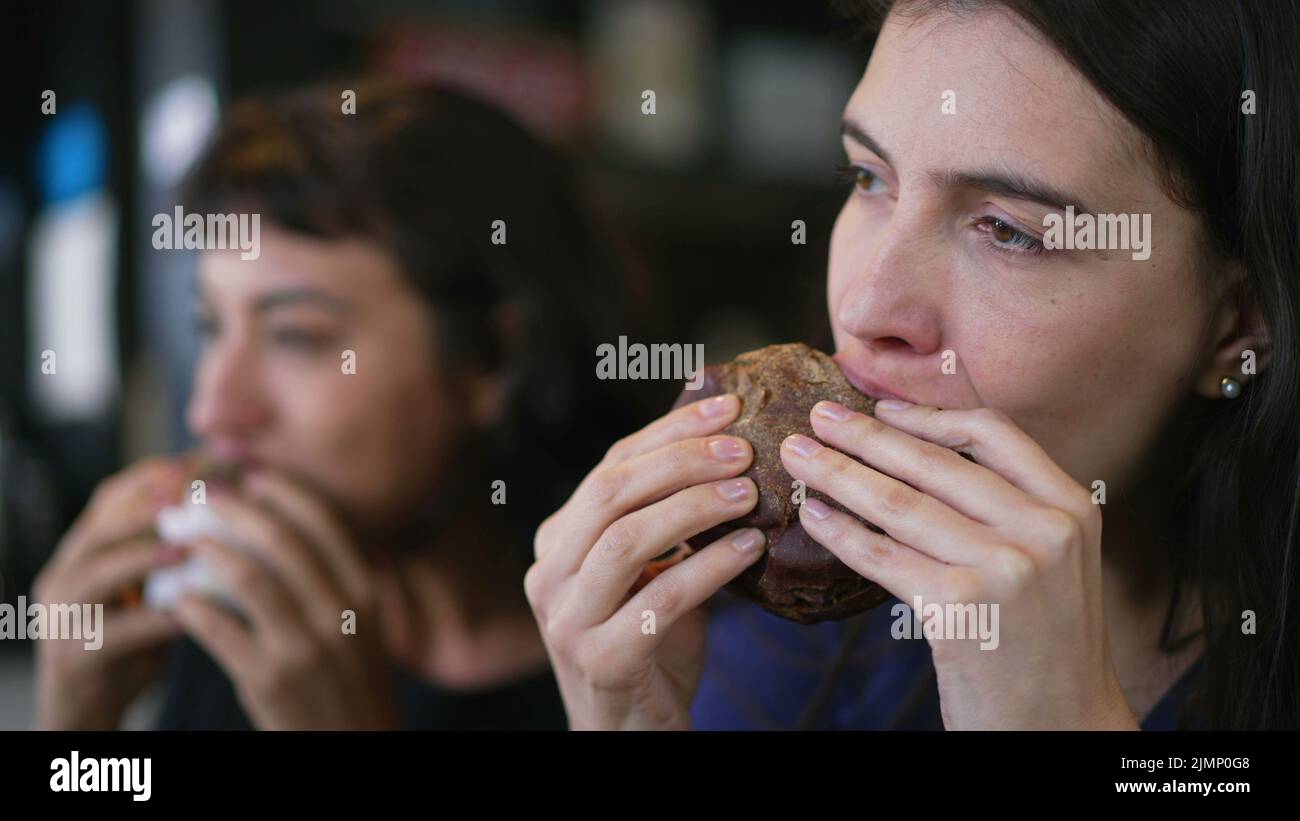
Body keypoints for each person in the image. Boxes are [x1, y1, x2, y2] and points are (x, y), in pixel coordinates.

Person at [525, 0, 1300, 729]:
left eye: (1009, 232)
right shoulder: (788, 645)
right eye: (867, 178)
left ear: (1239, 322)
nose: (864, 309)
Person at [33, 80, 641, 730]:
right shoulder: (232, 618)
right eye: (210, 326)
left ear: (489, 358)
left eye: (296, 335)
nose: (212, 411)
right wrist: (75, 727)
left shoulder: (645, 671)